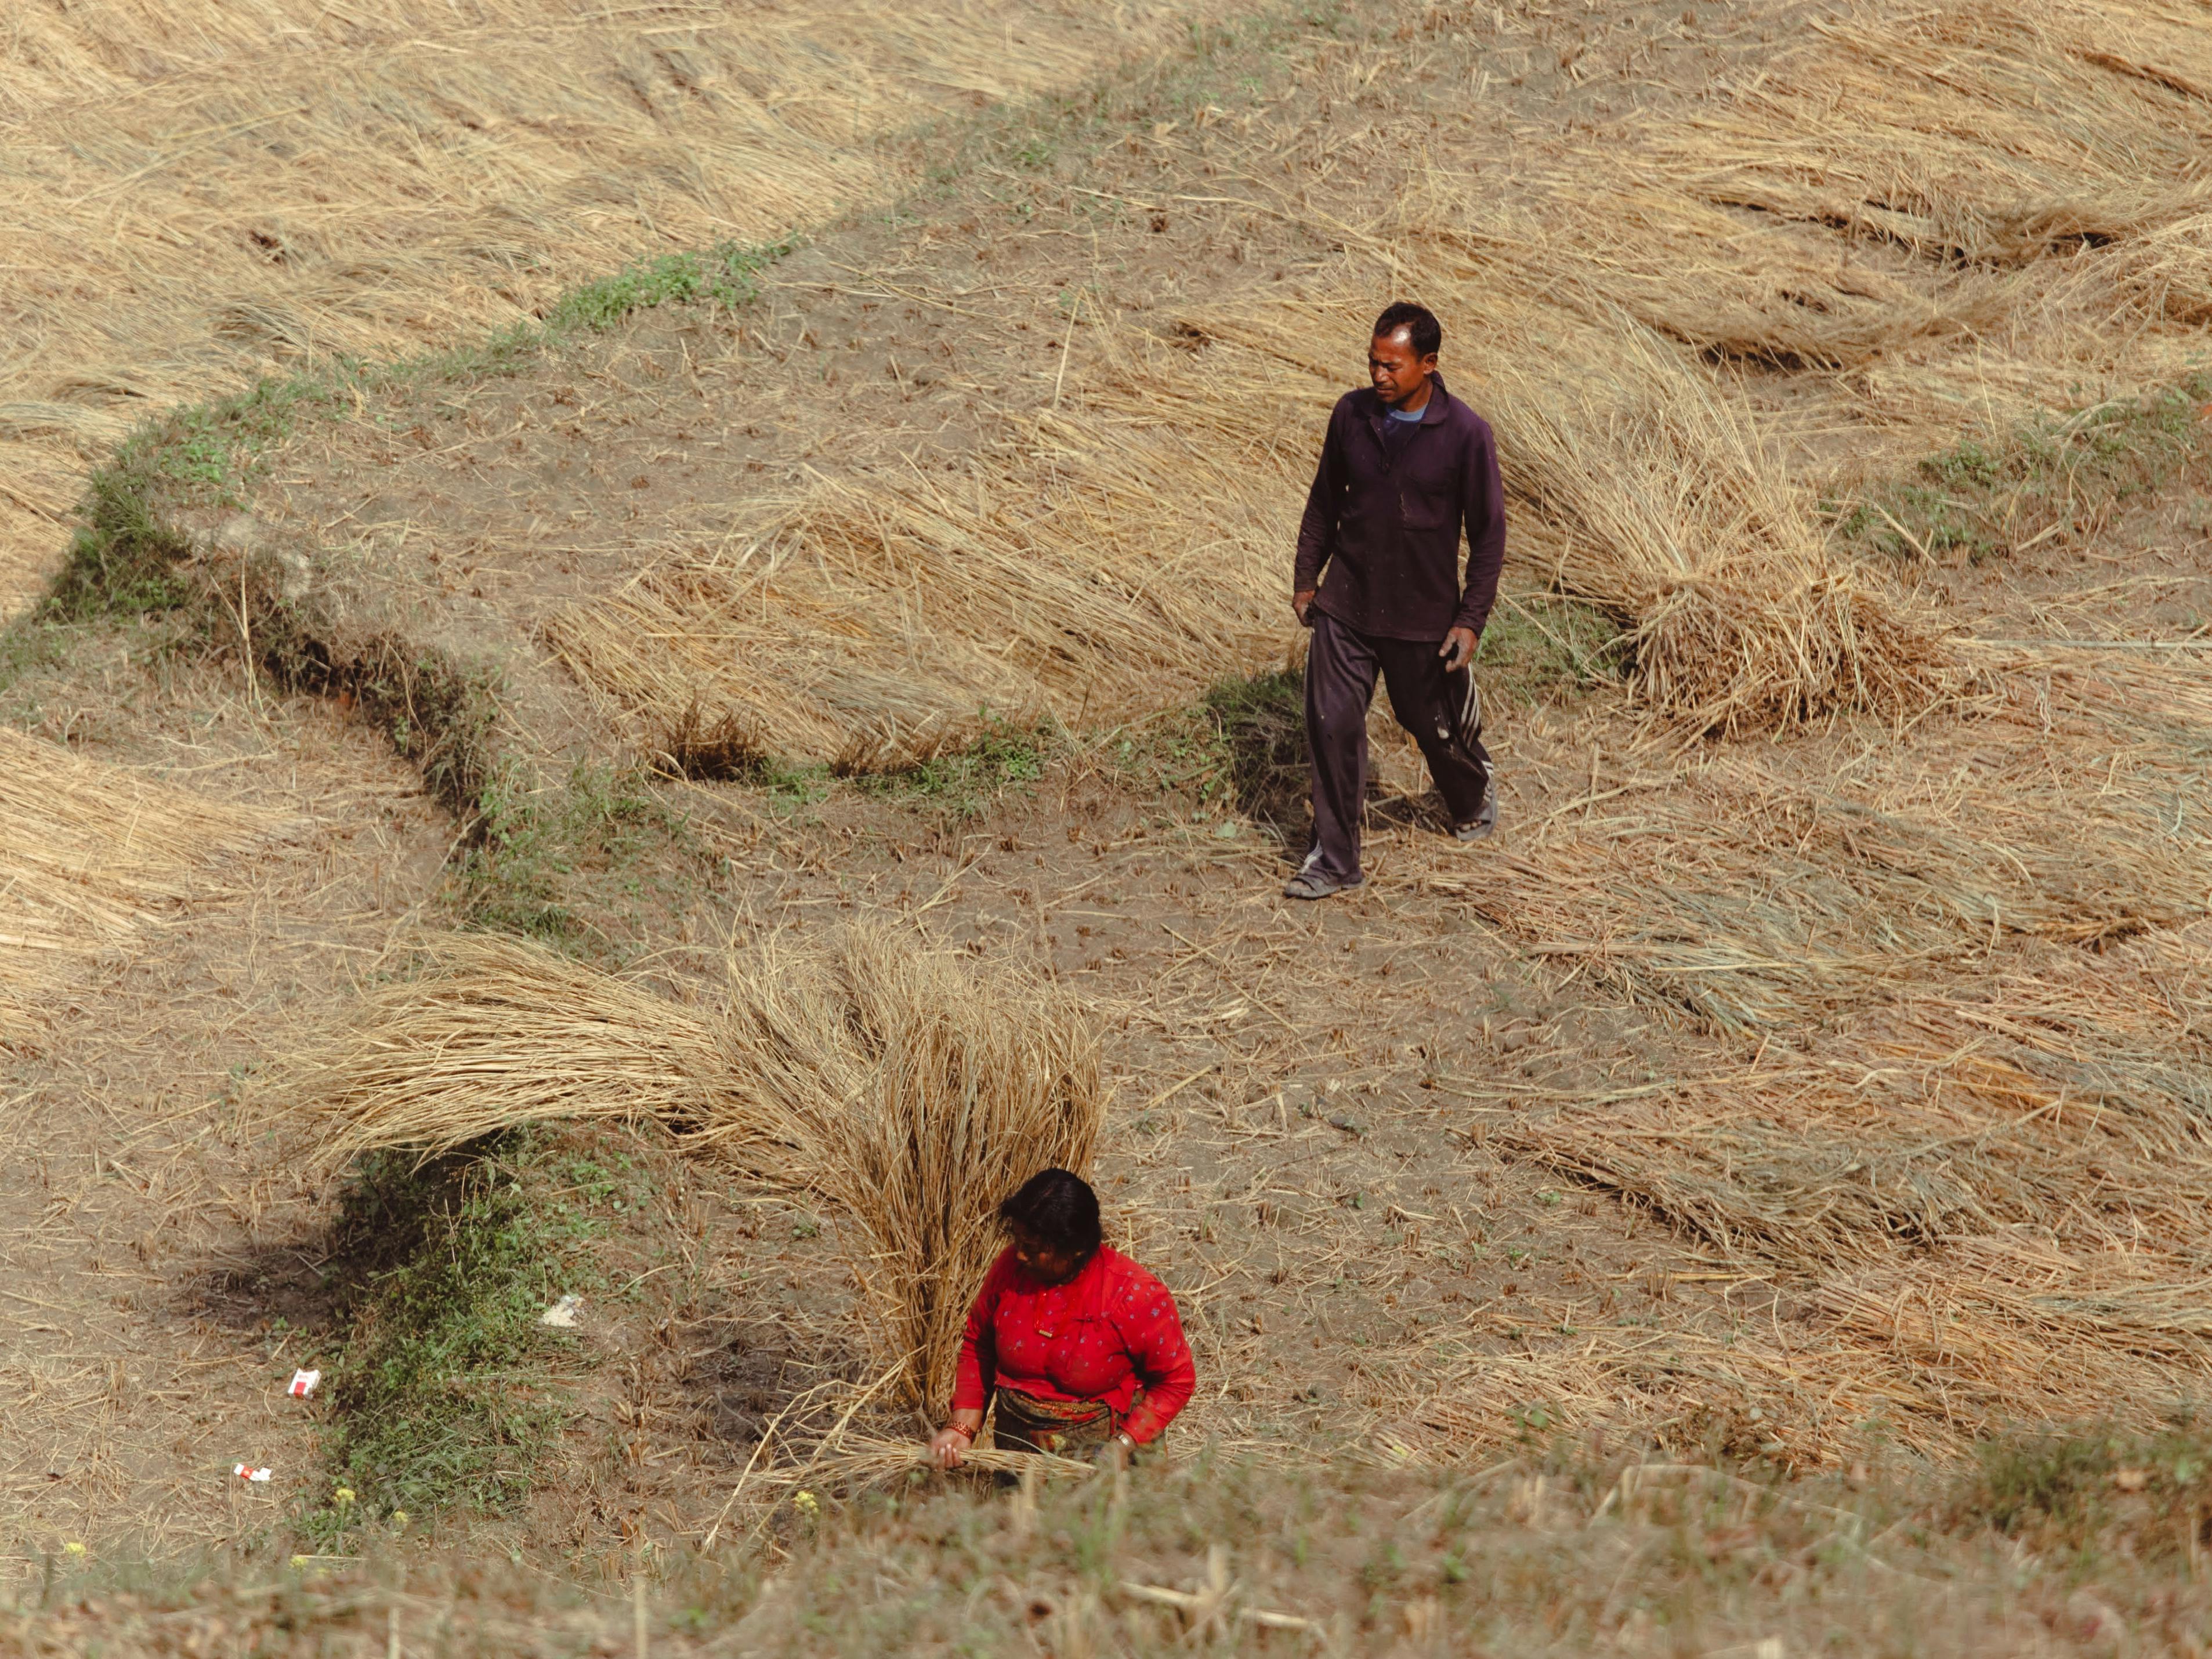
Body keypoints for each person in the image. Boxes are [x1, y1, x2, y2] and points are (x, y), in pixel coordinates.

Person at [1285, 300, 1506, 900]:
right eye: (1373, 364)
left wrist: (1471, 621)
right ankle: (1335, 861)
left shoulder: (1465, 435)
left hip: (1423, 617)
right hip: (1348, 603)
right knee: (1331, 723)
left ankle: (1469, 792)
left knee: (1429, 726)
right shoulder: (1351, 415)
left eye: (1392, 366)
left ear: (1428, 364)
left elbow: (1489, 537)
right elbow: (1324, 503)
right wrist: (1308, 579)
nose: (1379, 376)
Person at [929, 1168, 1194, 1470]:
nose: (1019, 1256)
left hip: (1100, 1464)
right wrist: (961, 1427)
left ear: (1075, 1249)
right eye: (1017, 1241)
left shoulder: (1133, 1294)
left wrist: (1125, 1442)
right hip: (1019, 1461)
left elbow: (1176, 1382)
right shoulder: (1010, 1269)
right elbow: (980, 1342)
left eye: (1031, 1248)